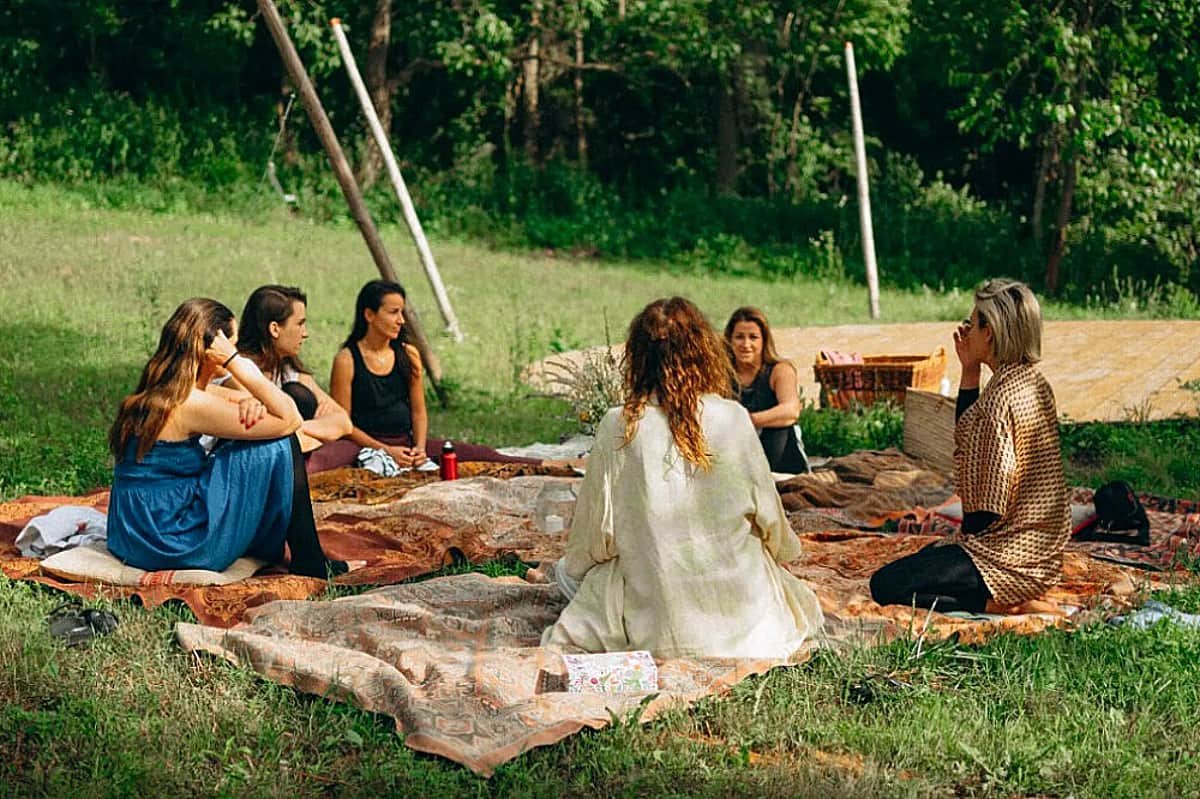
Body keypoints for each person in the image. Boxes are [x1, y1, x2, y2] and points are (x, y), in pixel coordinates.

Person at [541, 297, 824, 659]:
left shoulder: (619, 423)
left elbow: (594, 537)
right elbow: (774, 527)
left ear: (639, 358)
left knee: (569, 573)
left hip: (658, 631)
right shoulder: (733, 418)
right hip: (750, 632)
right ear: (705, 351)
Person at [106, 298, 353, 579]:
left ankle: (304, 554)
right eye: (231, 344)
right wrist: (237, 364)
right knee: (280, 444)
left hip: (139, 531)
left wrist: (254, 402)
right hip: (168, 538)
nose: (235, 351)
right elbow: (291, 420)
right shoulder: (188, 402)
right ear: (212, 349)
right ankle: (308, 559)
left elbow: (277, 408)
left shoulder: (177, 389)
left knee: (261, 437)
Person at [870, 279, 1069, 614]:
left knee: (886, 584)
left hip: (1008, 558)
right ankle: (997, 592)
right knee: (928, 559)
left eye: (971, 323)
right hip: (1043, 552)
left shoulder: (998, 402)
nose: (966, 330)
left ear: (988, 331)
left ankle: (1000, 605)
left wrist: (962, 550)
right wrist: (969, 371)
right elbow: (970, 429)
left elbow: (984, 512)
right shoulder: (1032, 381)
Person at [311, 280, 542, 472]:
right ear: (369, 315)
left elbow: (418, 411)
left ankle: (552, 465)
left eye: (402, 312)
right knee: (325, 460)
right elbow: (344, 425)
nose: (401, 320)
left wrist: (420, 449)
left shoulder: (408, 354)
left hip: (407, 444)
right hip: (360, 445)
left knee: (479, 455)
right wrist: (385, 450)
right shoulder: (346, 360)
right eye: (393, 312)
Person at [235, 285, 352, 464]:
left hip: (287, 448)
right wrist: (320, 430)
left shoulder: (288, 368)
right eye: (299, 324)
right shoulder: (241, 372)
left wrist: (295, 427)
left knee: (346, 450)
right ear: (274, 329)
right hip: (249, 459)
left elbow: (344, 422)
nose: (305, 334)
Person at [724, 307, 809, 473]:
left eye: (753, 337)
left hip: (779, 457)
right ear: (730, 340)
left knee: (780, 426)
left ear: (764, 341)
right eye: (739, 337)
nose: (746, 344)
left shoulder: (780, 370)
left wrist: (747, 420)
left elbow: (791, 410)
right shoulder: (722, 374)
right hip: (737, 451)